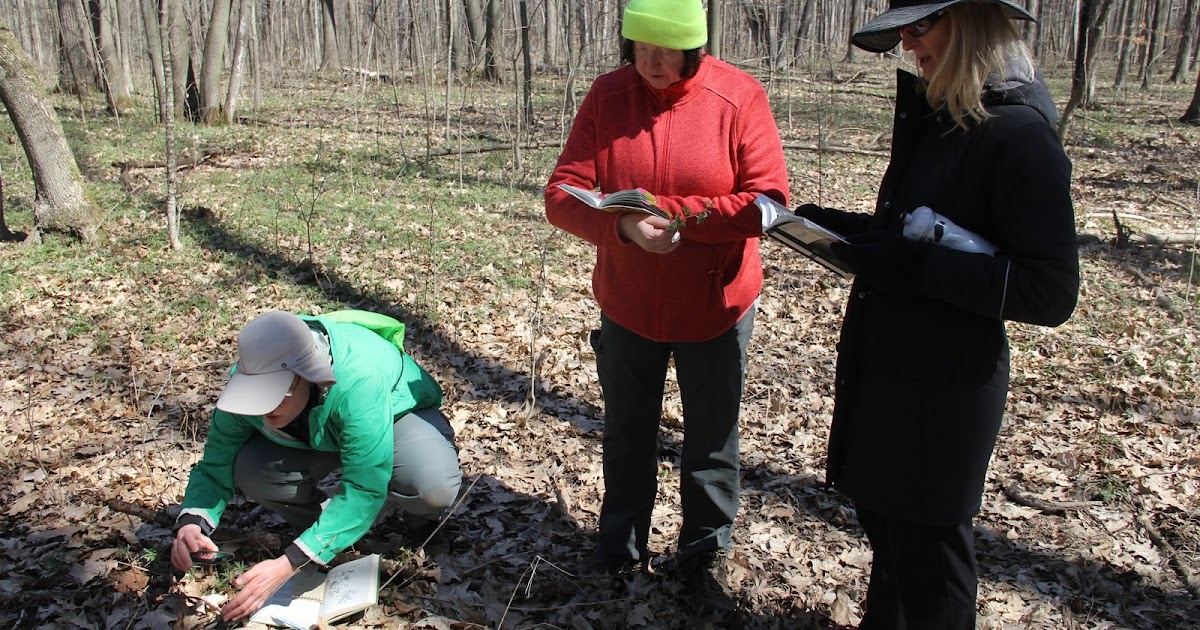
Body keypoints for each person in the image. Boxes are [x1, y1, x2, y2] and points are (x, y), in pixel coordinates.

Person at [792, 1, 1079, 628]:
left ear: (972, 22)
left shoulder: (1020, 137)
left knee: (930, 560)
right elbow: (906, 236)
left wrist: (915, 267)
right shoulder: (943, 118)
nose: (907, 46)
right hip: (890, 370)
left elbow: (1050, 290)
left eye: (921, 27)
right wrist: (814, 224)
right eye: (902, 32)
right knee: (891, 537)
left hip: (947, 392)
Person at [543, 0, 789, 619]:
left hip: (716, 305)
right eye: (640, 48)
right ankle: (619, 549)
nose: (651, 63)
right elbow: (560, 194)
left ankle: (704, 558)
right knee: (627, 432)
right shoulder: (608, 96)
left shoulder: (738, 98)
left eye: (667, 50)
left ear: (694, 47)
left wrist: (683, 216)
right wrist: (625, 226)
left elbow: (769, 201)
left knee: (711, 439)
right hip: (628, 306)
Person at [169, 310, 463, 622]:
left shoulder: (359, 380)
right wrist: (192, 522)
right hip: (319, 432)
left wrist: (290, 562)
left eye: (276, 396)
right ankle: (323, 530)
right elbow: (217, 462)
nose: (265, 409)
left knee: (433, 485)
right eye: (258, 398)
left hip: (392, 414)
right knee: (250, 468)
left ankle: (420, 523)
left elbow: (365, 485)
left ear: (306, 374)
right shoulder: (251, 375)